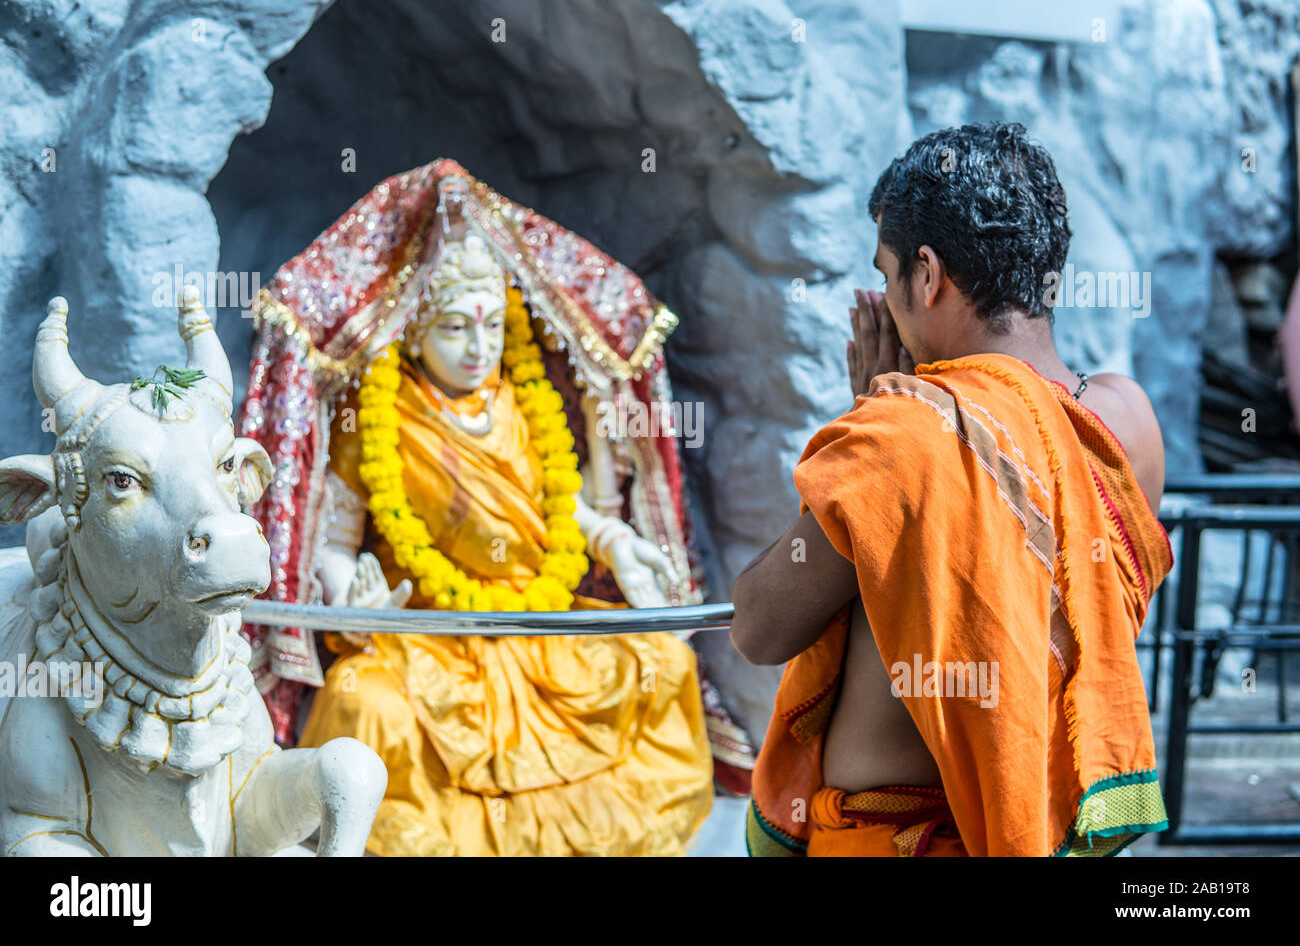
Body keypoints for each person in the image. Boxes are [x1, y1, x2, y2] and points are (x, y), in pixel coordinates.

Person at [238, 160, 718, 855]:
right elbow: (335, 548)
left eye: (492, 326)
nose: (478, 347)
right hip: (423, 633)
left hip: (539, 625)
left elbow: (561, 507)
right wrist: (354, 602)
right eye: (456, 328)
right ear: (413, 333)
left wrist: (615, 543)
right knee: (362, 703)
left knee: (662, 667)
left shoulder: (524, 403)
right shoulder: (379, 418)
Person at [732, 122, 1174, 857]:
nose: (885, 299)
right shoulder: (1127, 419)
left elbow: (758, 626)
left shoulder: (897, 441)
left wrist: (875, 422)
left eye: (886, 275)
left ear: (928, 274)